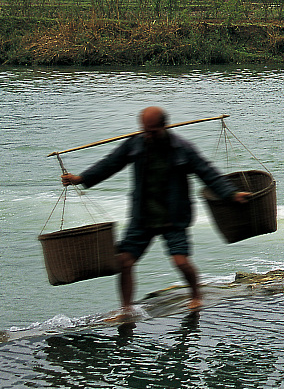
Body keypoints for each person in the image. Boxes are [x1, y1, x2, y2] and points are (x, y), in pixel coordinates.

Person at [62, 106, 248, 318]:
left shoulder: (182, 148)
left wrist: (232, 194)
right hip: (143, 217)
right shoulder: (135, 144)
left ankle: (196, 295)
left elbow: (207, 173)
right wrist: (81, 179)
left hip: (173, 217)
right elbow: (110, 164)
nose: (147, 135)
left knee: (180, 261)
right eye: (144, 130)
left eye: (152, 131)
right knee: (125, 261)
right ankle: (126, 308)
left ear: (163, 126)